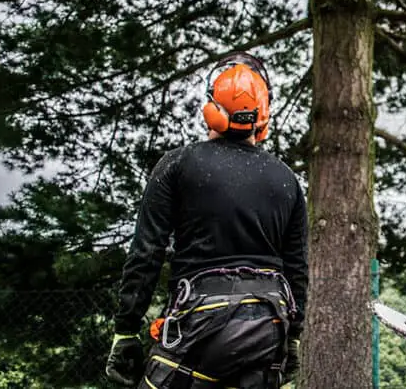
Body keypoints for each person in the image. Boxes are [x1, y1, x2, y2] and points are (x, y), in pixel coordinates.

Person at [105, 51, 309, 389]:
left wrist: (126, 330)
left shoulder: (178, 164)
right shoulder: (287, 179)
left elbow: (146, 252)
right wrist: (293, 338)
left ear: (211, 109)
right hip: (268, 328)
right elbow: (297, 268)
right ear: (263, 117)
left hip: (198, 321)